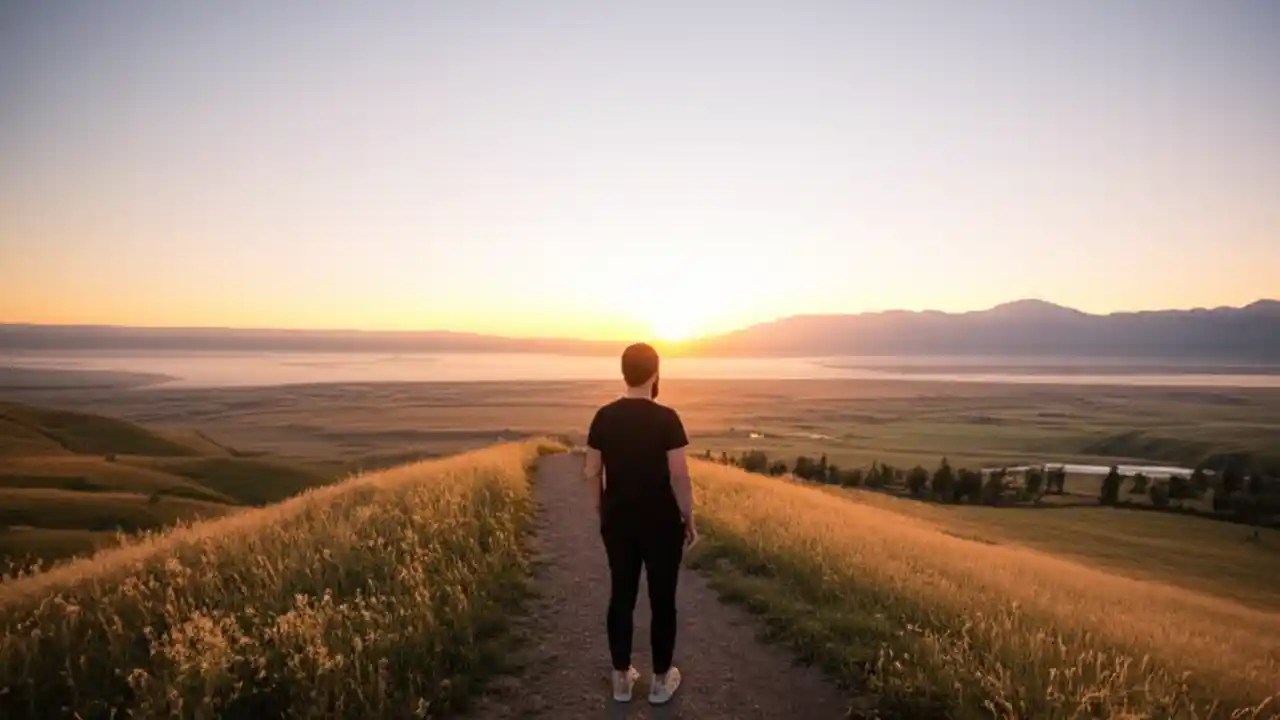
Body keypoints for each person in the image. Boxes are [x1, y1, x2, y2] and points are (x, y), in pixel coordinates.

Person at [583, 342, 697, 705]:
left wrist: (601, 510)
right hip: (663, 524)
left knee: (622, 596)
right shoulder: (667, 418)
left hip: (618, 522)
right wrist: (689, 516)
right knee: (663, 600)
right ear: (654, 373)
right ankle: (661, 683)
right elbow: (679, 475)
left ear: (623, 372)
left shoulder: (603, 416)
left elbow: (591, 471)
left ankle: (621, 679)